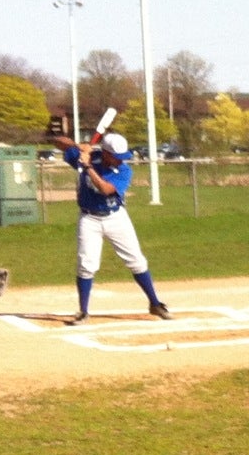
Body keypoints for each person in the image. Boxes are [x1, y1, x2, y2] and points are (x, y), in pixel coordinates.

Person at [64, 131, 171, 322]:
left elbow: (106, 189)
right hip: (89, 219)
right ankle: (83, 311)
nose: (121, 160)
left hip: (116, 217)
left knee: (136, 261)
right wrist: (78, 145)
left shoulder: (124, 171)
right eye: (116, 156)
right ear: (105, 153)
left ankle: (155, 303)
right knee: (86, 265)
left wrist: (87, 166)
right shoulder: (90, 157)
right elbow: (57, 142)